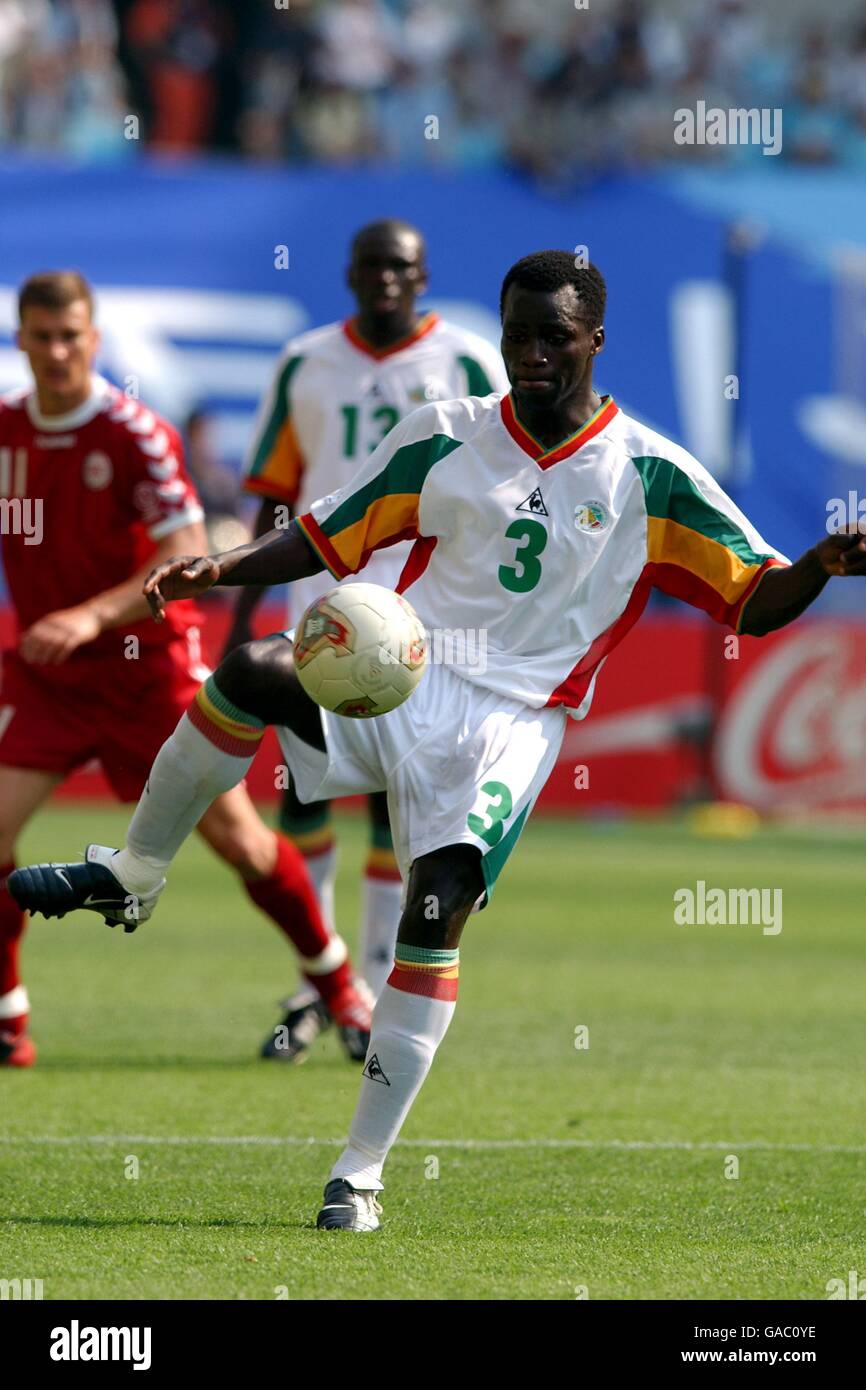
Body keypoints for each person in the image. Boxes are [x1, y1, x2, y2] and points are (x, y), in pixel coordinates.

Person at [11, 250, 863, 1232]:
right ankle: (134, 871)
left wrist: (818, 565)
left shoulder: (650, 473)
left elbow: (751, 601)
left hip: (509, 724)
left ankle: (357, 1174)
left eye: (552, 335)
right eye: (515, 334)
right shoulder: (446, 435)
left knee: (436, 901)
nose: (531, 353)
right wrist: (219, 566)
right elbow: (327, 534)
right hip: (400, 680)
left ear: (593, 341)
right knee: (248, 674)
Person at [0, 270, 371, 1068]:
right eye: (42, 337)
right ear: (22, 340)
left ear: (93, 340)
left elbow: (181, 553)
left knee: (241, 843)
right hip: (47, 676)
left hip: (146, 671)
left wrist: (93, 616)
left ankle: (337, 983)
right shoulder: (5, 430)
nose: (58, 352)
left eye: (72, 337)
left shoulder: (135, 433)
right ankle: (8, 1018)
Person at [227, 217, 507, 1060]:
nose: (386, 278)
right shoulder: (304, 359)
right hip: (321, 605)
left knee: (399, 802)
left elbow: (505, 482)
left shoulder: (465, 360)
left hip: (423, 613)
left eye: (401, 267)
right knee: (305, 795)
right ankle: (325, 982)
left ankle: (379, 974)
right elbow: (276, 490)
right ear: (349, 273)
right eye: (372, 265)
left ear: (422, 277)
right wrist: (245, 609)